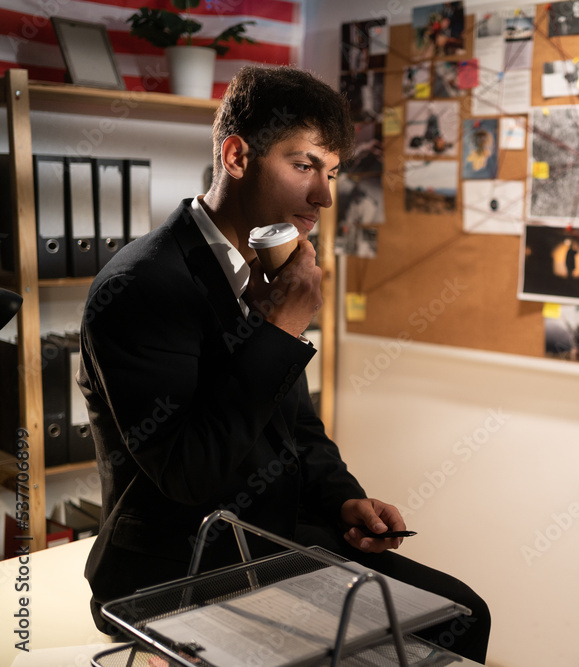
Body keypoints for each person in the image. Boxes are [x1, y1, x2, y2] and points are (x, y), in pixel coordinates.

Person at [77, 65, 489, 662]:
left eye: (332, 172)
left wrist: (343, 501)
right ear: (238, 157)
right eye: (303, 166)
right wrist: (280, 327)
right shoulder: (143, 284)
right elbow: (189, 473)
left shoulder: (266, 266)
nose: (324, 196)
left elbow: (294, 427)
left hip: (271, 540)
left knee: (462, 617)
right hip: (178, 567)